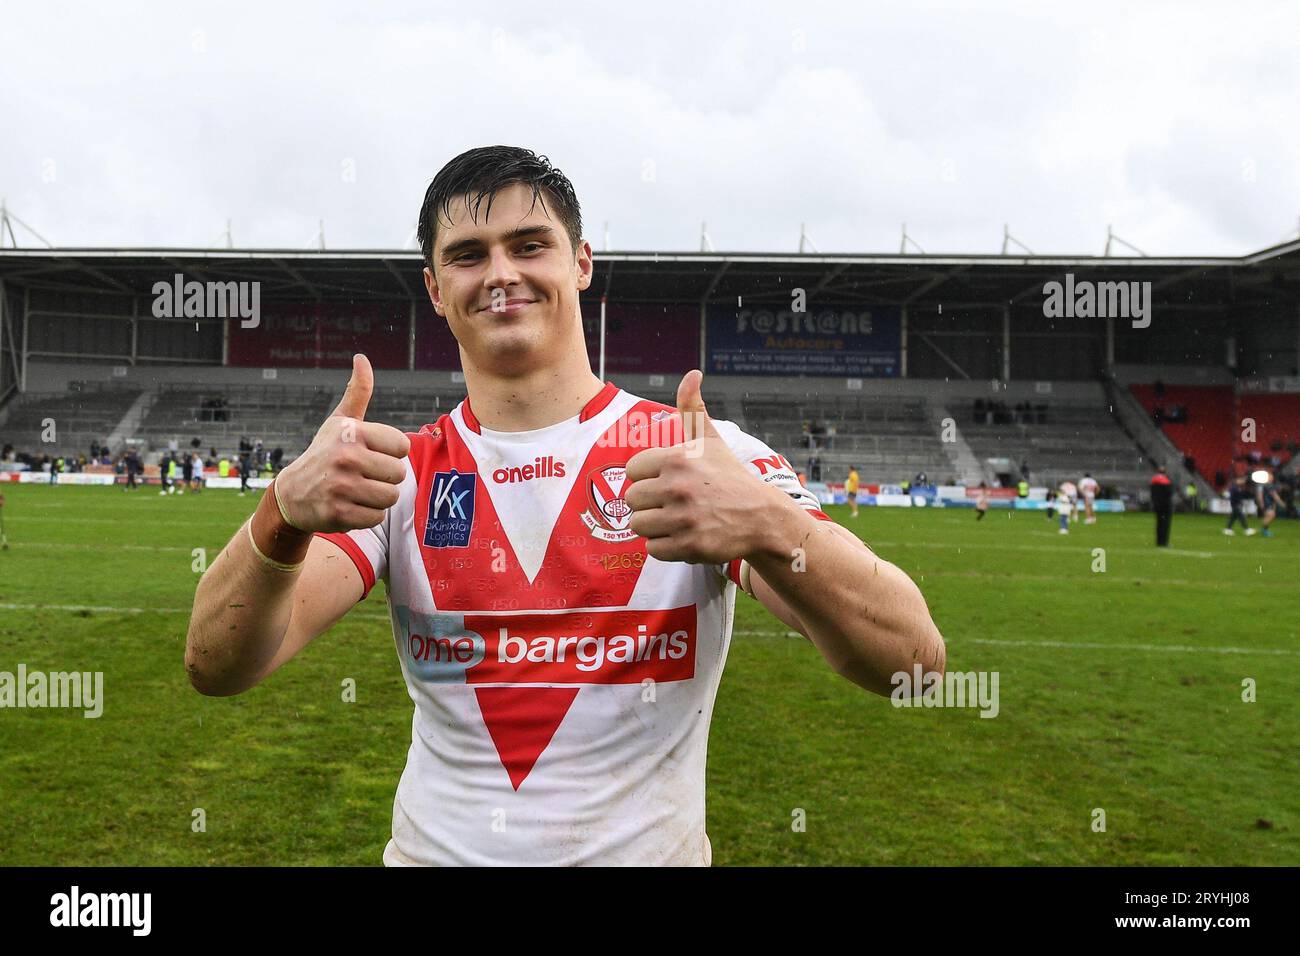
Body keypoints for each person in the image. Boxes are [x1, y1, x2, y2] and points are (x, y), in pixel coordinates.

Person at [184, 146, 946, 867]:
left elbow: (911, 664)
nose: (500, 274)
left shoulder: (699, 455)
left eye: (528, 244)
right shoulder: (402, 474)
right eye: (468, 254)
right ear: (434, 288)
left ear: (581, 263)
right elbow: (216, 666)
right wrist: (281, 511)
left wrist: (769, 525)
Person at [1150, 465, 1174, 547]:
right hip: (1166, 506)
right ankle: (1164, 542)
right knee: (1165, 524)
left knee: (1159, 524)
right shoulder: (1166, 481)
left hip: (1157, 505)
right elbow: (1170, 493)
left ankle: (1159, 541)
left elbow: (1152, 494)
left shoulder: (1153, 480)